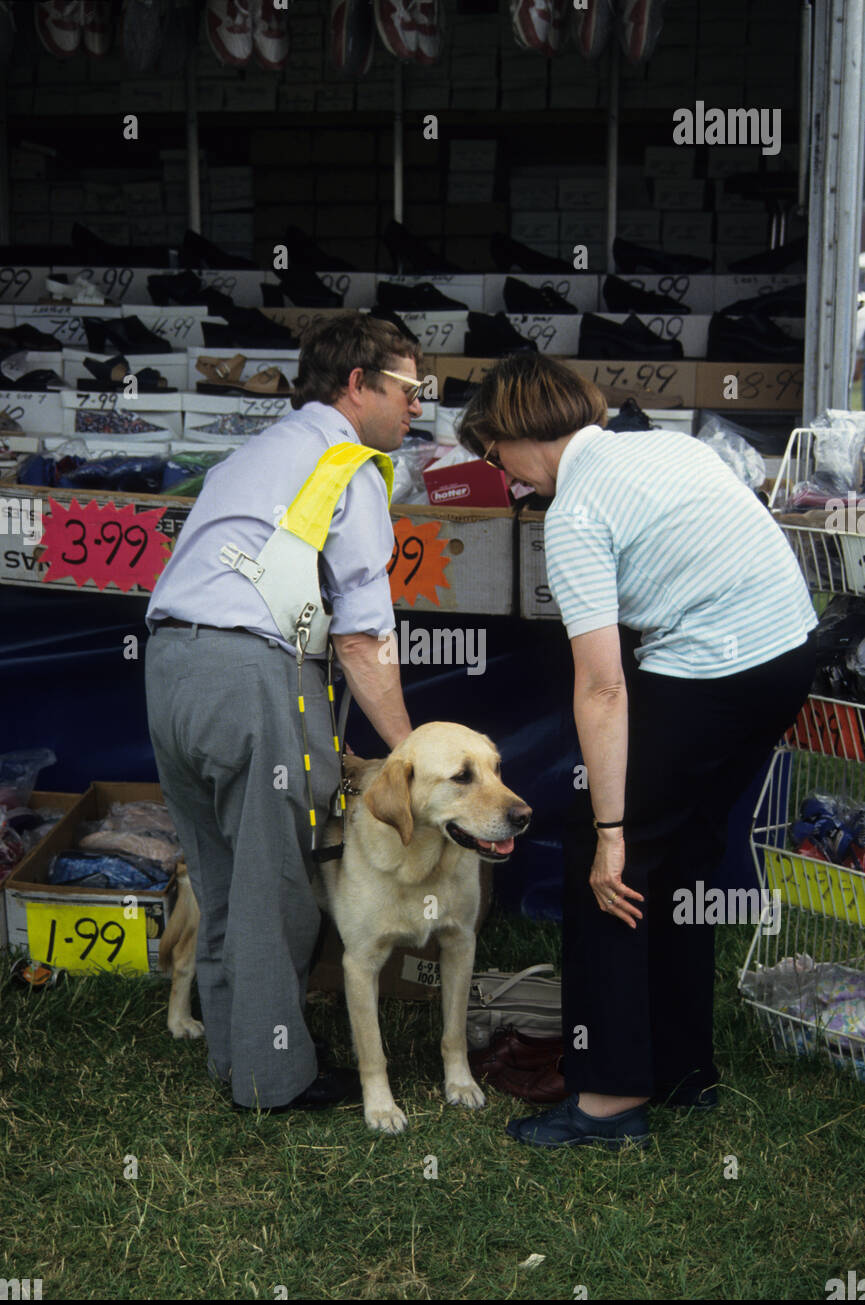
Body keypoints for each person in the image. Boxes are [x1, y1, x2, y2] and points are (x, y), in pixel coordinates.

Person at [457, 354, 817, 1150]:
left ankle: (609, 1101)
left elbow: (602, 686)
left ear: (519, 433)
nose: (500, 473)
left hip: (712, 670)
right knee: (682, 855)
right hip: (785, 654)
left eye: (491, 453)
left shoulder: (575, 512)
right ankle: (683, 1070)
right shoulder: (668, 445)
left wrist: (611, 829)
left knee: (606, 868)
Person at [144, 314, 421, 1114]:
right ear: (357, 384)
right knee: (275, 888)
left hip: (171, 666)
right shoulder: (349, 464)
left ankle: (238, 1059)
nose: (416, 408)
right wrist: (410, 757)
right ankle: (274, 1080)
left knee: (224, 878)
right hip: (252, 672)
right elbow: (365, 639)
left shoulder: (261, 450)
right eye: (407, 389)